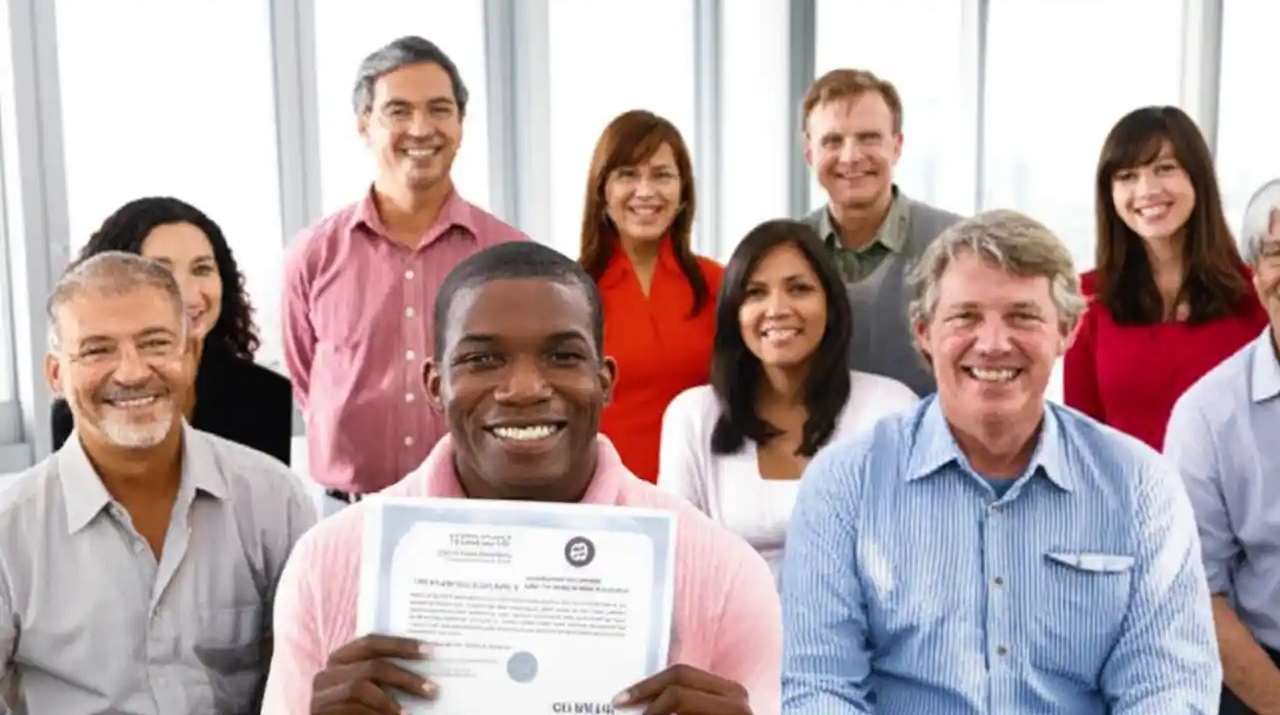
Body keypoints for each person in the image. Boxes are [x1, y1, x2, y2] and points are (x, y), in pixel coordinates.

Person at [262, 241, 780, 715]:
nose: (525, 388)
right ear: (436, 386)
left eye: (562, 356)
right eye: (482, 359)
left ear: (604, 382)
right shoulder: (328, 563)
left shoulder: (723, 573)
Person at [780, 210, 1221, 712]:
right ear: (924, 332)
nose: (992, 344)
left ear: (1067, 330)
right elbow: (821, 686)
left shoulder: (1140, 485)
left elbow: (1168, 687)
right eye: (965, 316)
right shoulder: (845, 483)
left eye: (1022, 316)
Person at [0, 252, 316, 714]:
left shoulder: (273, 499)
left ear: (190, 356)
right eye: (97, 350)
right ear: (56, 375)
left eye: (155, 344)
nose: (132, 372)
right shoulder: (10, 530)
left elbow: (308, 678)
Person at [283, 36, 527, 505]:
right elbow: (306, 379)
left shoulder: (510, 255)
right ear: (364, 124)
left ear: (460, 124)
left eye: (439, 109)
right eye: (398, 111)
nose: (421, 128)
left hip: (476, 510)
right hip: (347, 512)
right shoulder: (313, 254)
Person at [658, 219, 917, 587]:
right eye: (755, 293)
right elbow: (677, 564)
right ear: (734, 312)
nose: (777, 308)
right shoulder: (693, 416)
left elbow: (911, 561)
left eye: (799, 289)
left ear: (831, 304)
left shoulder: (890, 409)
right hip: (730, 621)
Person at [1064, 106, 1267, 450]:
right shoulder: (1087, 297)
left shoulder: (1260, 293)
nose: (1147, 189)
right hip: (1122, 486)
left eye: (1165, 168)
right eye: (1127, 176)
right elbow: (1081, 437)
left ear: (1197, 177)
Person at [50, 196, 293, 464]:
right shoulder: (80, 402)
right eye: (161, 273)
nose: (186, 295)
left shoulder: (269, 397)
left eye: (202, 269)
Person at [1165, 178, 1280, 714]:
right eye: (1278, 254)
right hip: (1263, 673)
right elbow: (1196, 593)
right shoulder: (1207, 414)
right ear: (1255, 272)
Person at [579, 109, 724, 483]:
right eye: (628, 174)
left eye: (662, 175)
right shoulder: (569, 291)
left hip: (701, 494)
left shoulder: (719, 284)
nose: (645, 191)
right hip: (603, 494)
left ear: (683, 193)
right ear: (602, 190)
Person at [800, 68, 963, 397]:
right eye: (832, 141)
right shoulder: (788, 250)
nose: (851, 157)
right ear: (809, 153)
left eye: (869, 138)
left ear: (897, 146)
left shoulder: (958, 245)